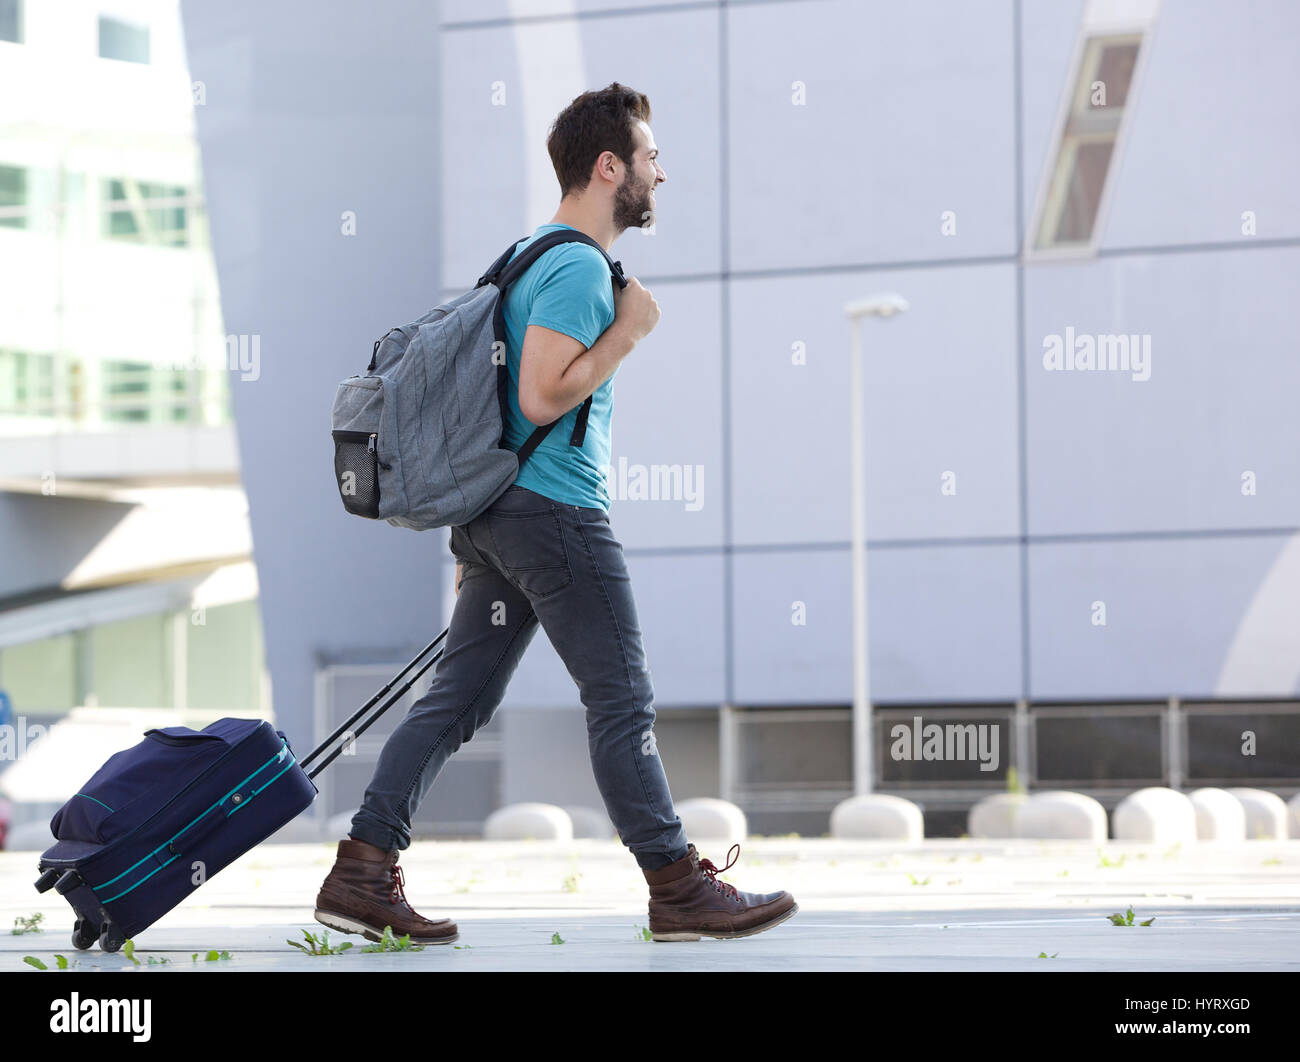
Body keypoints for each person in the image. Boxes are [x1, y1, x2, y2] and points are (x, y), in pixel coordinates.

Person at [314, 83, 796, 944]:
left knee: (456, 701)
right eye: (650, 158)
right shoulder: (576, 265)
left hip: (500, 517)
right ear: (610, 167)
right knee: (622, 702)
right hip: (557, 514)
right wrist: (631, 330)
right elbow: (540, 396)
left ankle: (360, 870)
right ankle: (677, 885)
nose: (659, 172)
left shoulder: (525, 253)